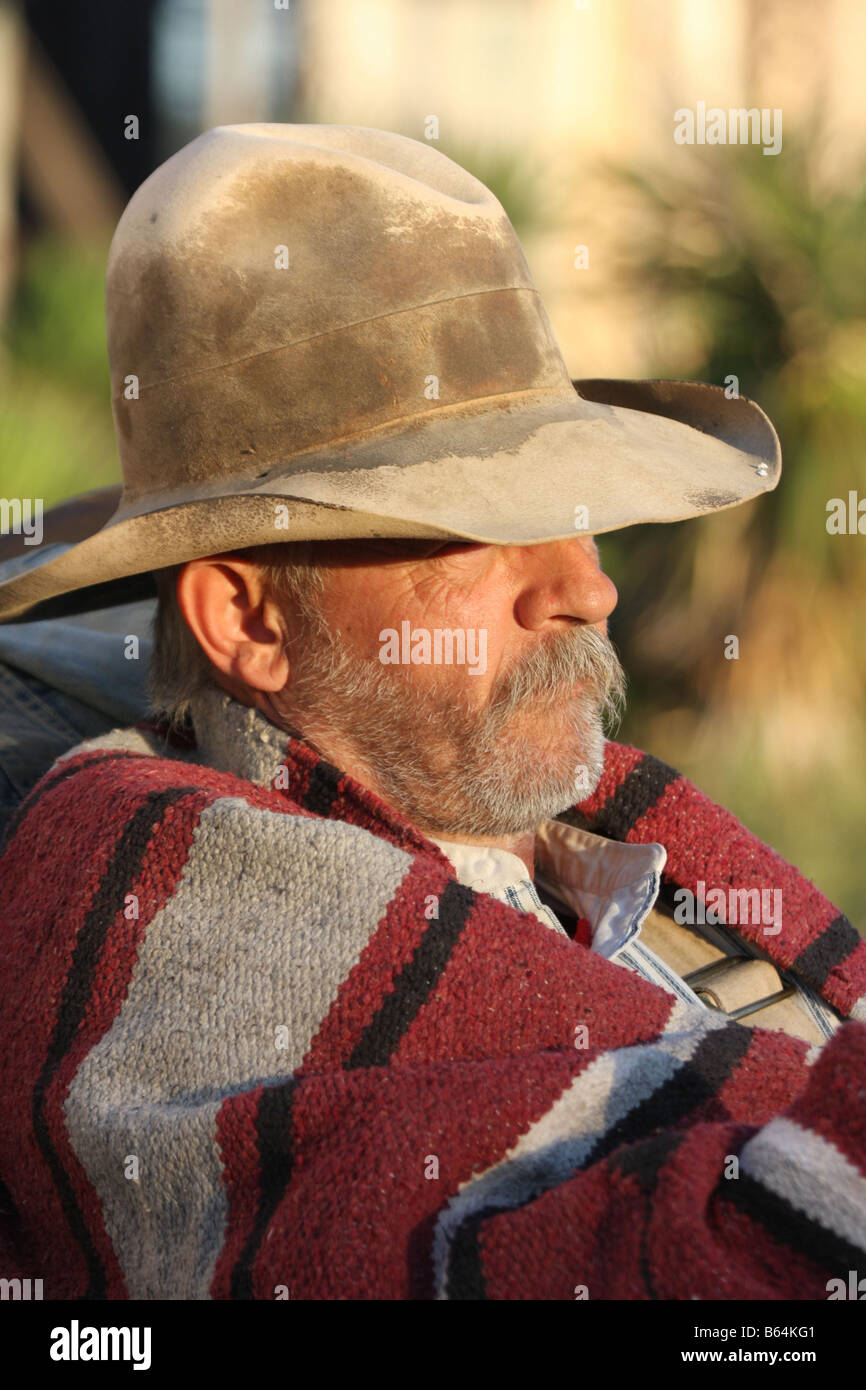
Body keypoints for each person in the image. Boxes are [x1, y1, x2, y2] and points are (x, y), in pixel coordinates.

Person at [0, 124, 863, 1300]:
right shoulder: (156, 913)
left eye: (573, 506)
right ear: (248, 621)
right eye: (475, 529)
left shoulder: (621, 852)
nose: (585, 587)